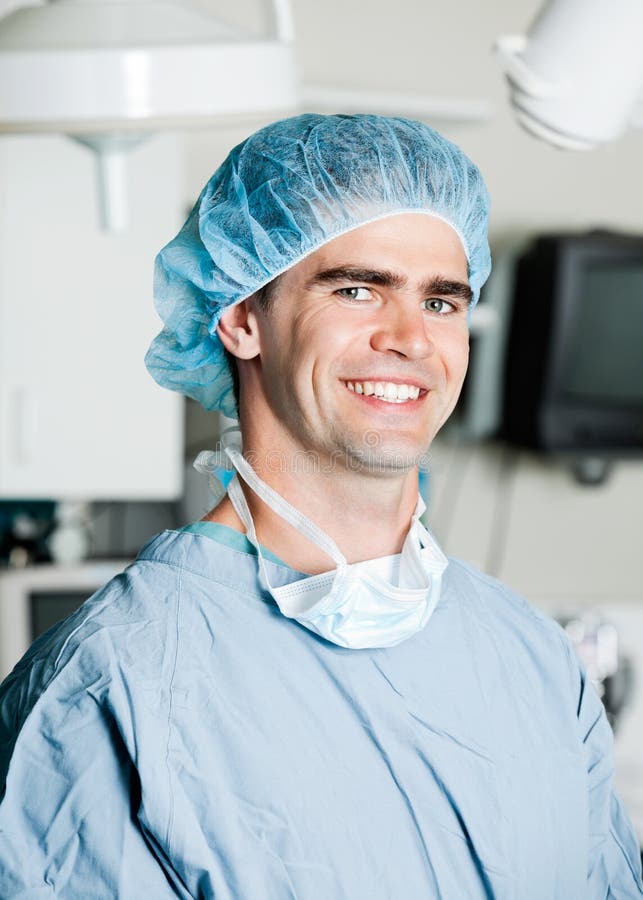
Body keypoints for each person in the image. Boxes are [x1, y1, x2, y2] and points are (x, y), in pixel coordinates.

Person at [0, 114, 641, 899]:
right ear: (240, 318)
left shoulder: (533, 659)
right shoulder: (109, 685)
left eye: (441, 302)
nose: (410, 338)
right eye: (357, 289)